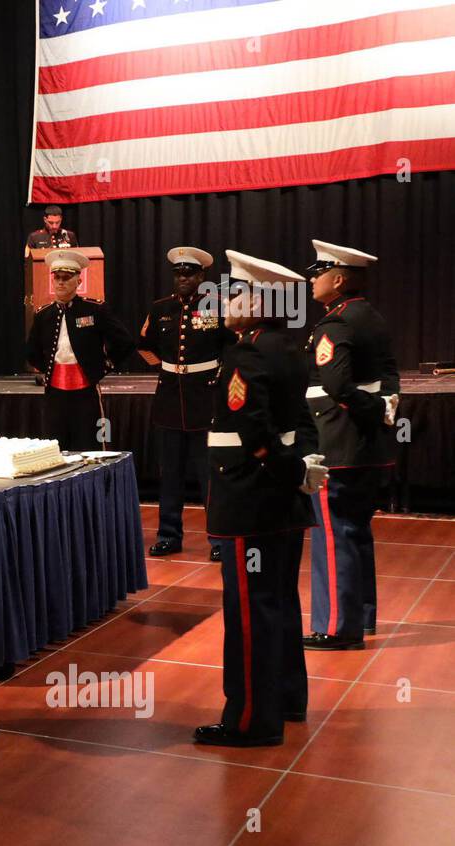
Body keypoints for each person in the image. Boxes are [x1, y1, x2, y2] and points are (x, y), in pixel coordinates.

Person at [195, 251, 326, 748]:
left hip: (251, 496)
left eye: (235, 293)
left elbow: (254, 429)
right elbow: (303, 424)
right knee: (279, 603)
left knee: (250, 609)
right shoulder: (288, 348)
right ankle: (287, 699)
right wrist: (302, 469)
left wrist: (289, 469)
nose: (227, 301)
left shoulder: (246, 354)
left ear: (260, 301)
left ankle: (250, 720)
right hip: (282, 499)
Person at [303, 241, 400, 651]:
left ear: (338, 279)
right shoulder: (372, 317)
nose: (311, 278)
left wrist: (372, 407)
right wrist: (382, 409)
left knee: (333, 535)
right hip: (367, 445)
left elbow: (337, 385)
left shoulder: (337, 323)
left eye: (318, 271)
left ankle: (338, 627)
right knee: (356, 531)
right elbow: (392, 376)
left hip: (337, 443)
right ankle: (361, 616)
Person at [138, 247, 230, 561]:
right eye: (178, 273)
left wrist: (221, 376)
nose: (182, 278)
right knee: (171, 475)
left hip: (206, 398)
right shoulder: (160, 308)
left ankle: (219, 537)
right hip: (168, 399)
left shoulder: (219, 308)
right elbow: (144, 346)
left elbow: (233, 349)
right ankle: (169, 535)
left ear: (202, 277)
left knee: (209, 474)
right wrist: (163, 370)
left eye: (188, 273)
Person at [27, 249, 134, 451]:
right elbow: (31, 351)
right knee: (55, 446)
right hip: (54, 392)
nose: (60, 282)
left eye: (66, 278)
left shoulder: (95, 310)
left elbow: (125, 342)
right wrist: (47, 370)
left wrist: (105, 366)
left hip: (86, 390)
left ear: (79, 281)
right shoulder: (43, 315)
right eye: (56, 277)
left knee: (90, 446)